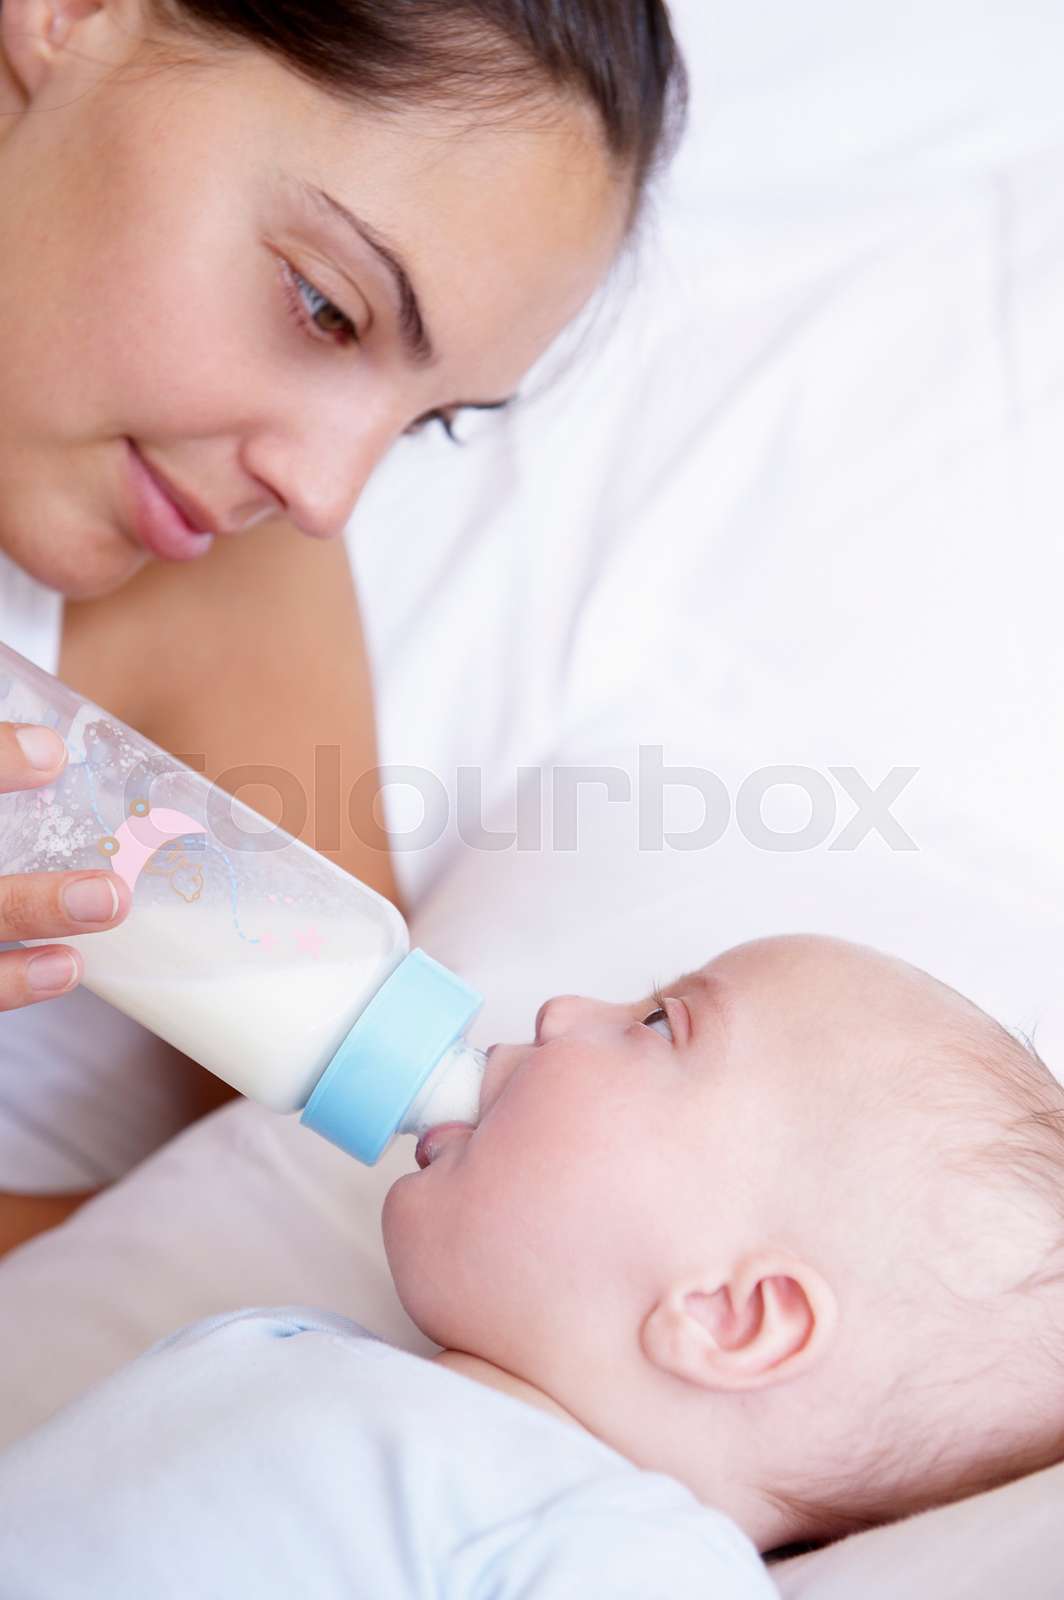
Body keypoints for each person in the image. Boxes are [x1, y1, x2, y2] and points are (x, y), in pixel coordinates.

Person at [0, 0, 687, 1241]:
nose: (323, 495)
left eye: (424, 421)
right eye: (325, 306)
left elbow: (279, 1225)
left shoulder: (208, 583)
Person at [0, 933, 1061, 1593]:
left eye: (656, 1023)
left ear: (731, 1317)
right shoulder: (292, 1348)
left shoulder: (618, 1551)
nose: (561, 1011)